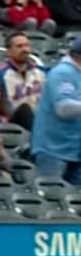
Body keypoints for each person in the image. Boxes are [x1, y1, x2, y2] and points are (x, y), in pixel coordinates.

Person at [32, 35, 81, 184]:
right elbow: (64, 108)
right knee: (51, 195)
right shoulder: (63, 72)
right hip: (53, 148)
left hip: (75, 148)